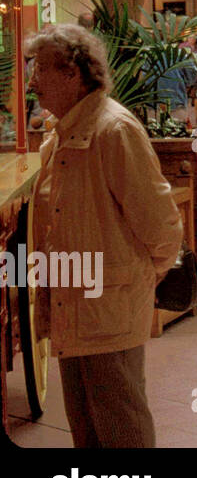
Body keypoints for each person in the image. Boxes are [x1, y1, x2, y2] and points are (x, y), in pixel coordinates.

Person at [26, 24, 183, 447]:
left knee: (120, 424)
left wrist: (135, 279)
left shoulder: (114, 130)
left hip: (107, 308)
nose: (32, 82)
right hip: (73, 306)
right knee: (87, 428)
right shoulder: (64, 133)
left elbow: (161, 225)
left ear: (72, 74)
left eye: (40, 70)